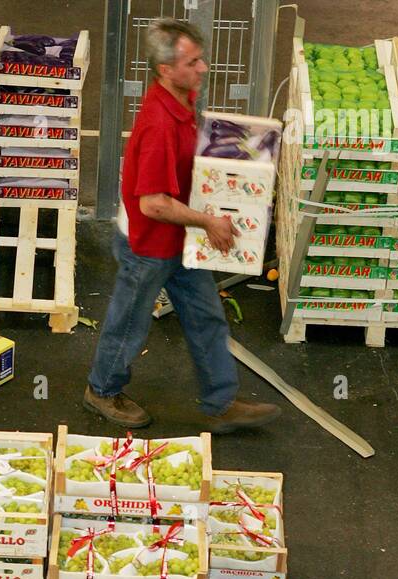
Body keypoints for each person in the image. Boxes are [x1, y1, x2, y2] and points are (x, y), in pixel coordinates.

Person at [85, 18, 280, 433]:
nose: (203, 68)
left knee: (207, 316)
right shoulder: (158, 124)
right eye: (193, 62)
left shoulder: (183, 98)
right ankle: (101, 390)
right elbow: (153, 204)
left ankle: (221, 402)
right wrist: (210, 221)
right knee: (130, 325)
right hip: (149, 245)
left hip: (180, 241)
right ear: (166, 70)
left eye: (201, 59)